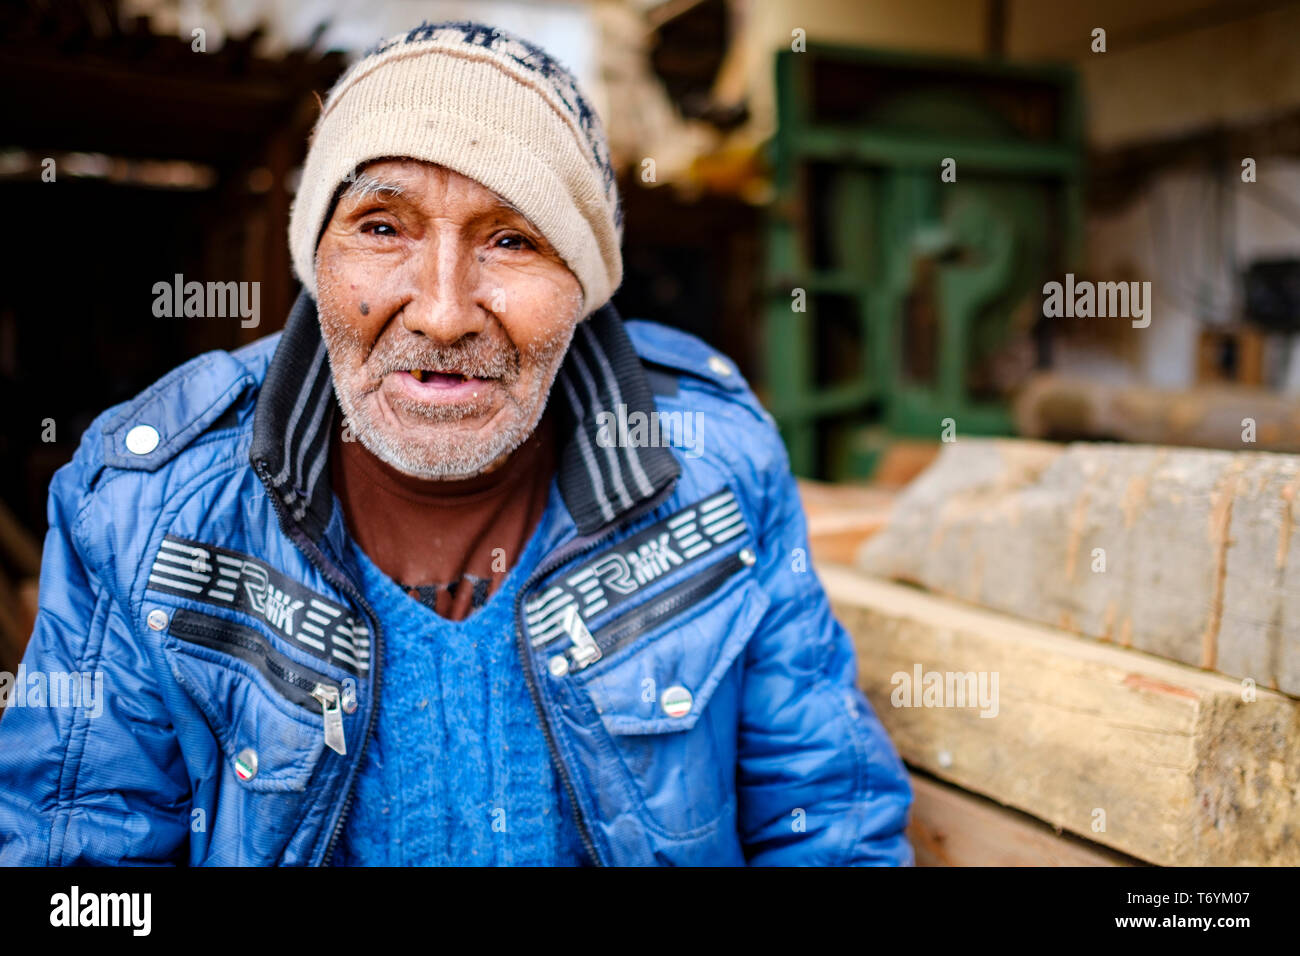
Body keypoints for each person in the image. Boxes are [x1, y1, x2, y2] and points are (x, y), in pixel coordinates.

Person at [0, 20, 912, 866]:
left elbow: (828, 816)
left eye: (513, 238)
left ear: (584, 285)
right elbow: (80, 870)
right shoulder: (146, 504)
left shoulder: (714, 462)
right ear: (317, 260)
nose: (440, 313)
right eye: (382, 226)